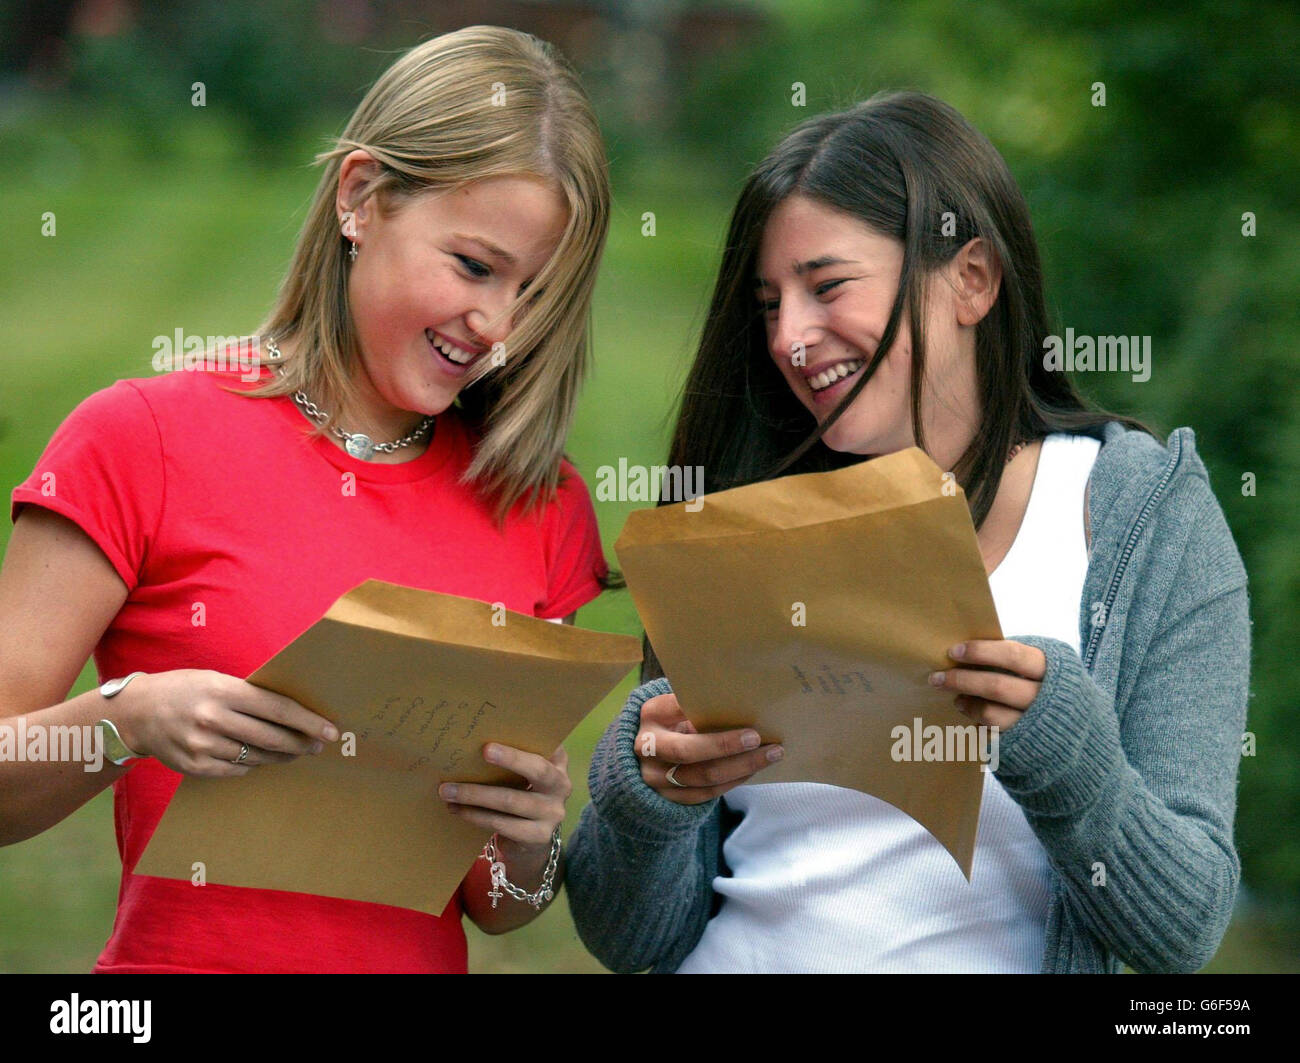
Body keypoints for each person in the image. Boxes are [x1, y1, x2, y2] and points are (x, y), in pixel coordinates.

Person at [565, 91, 1250, 974]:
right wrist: (647, 795)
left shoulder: (1141, 518)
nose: (790, 338)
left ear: (973, 278)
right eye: (770, 303)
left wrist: (1064, 747)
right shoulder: (746, 516)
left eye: (827, 286)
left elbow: (1183, 930)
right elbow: (629, 938)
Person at [1, 25, 613, 973]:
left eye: (536, 294)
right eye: (475, 267)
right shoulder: (141, 439)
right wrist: (127, 720)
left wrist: (531, 841)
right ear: (362, 197)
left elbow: (496, 905)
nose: (496, 325)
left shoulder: (540, 507)